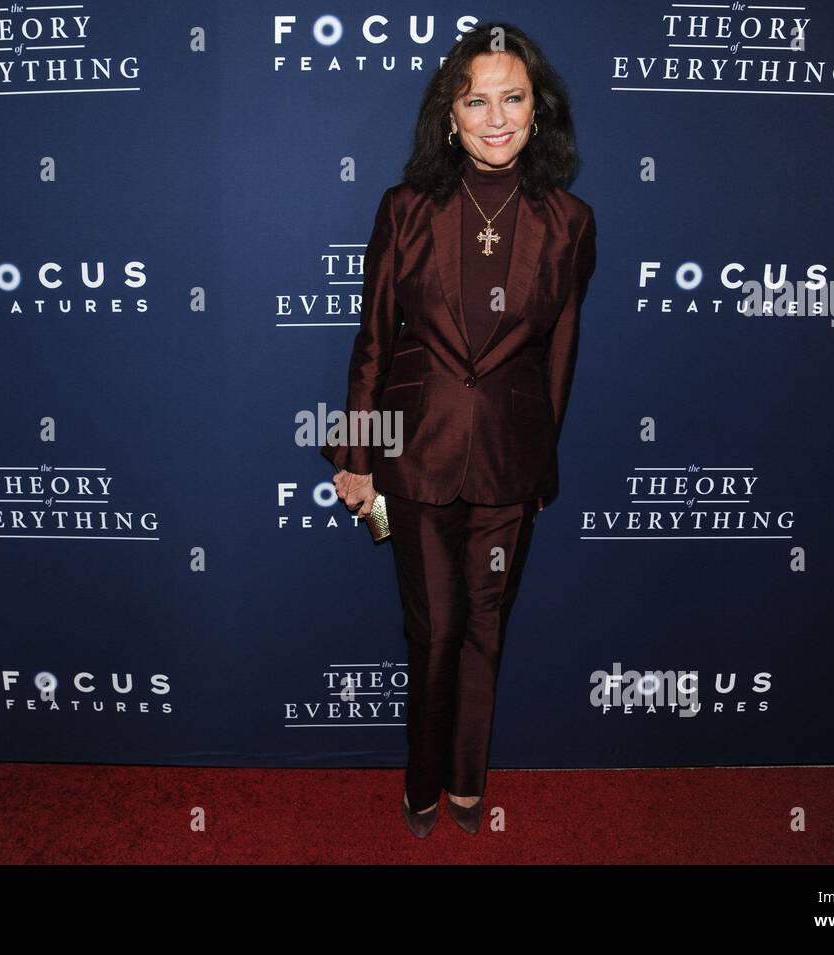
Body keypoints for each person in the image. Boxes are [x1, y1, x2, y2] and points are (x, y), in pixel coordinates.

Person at [321, 22, 598, 837]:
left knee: (487, 623)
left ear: (536, 111)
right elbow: (372, 340)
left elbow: (561, 355)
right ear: (450, 115)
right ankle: (421, 775)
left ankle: (469, 778)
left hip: (512, 458)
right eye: (476, 100)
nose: (496, 116)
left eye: (512, 98)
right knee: (436, 627)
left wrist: (542, 464)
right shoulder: (406, 209)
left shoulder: (571, 222)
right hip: (416, 453)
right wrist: (357, 457)